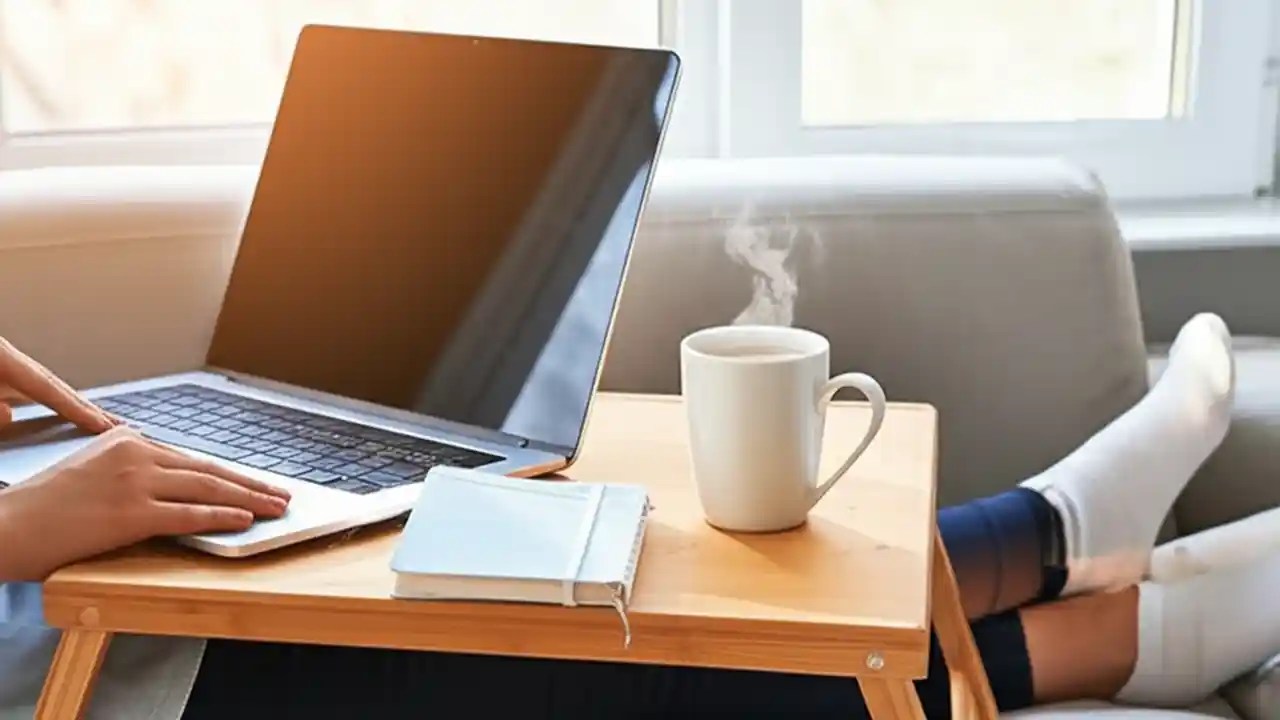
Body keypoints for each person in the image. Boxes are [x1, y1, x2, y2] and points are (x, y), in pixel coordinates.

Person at [2, 313, 1277, 719]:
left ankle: (1061, 548)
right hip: (102, 666)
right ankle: (1091, 595)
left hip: (106, 585)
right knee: (580, 659)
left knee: (588, 552)